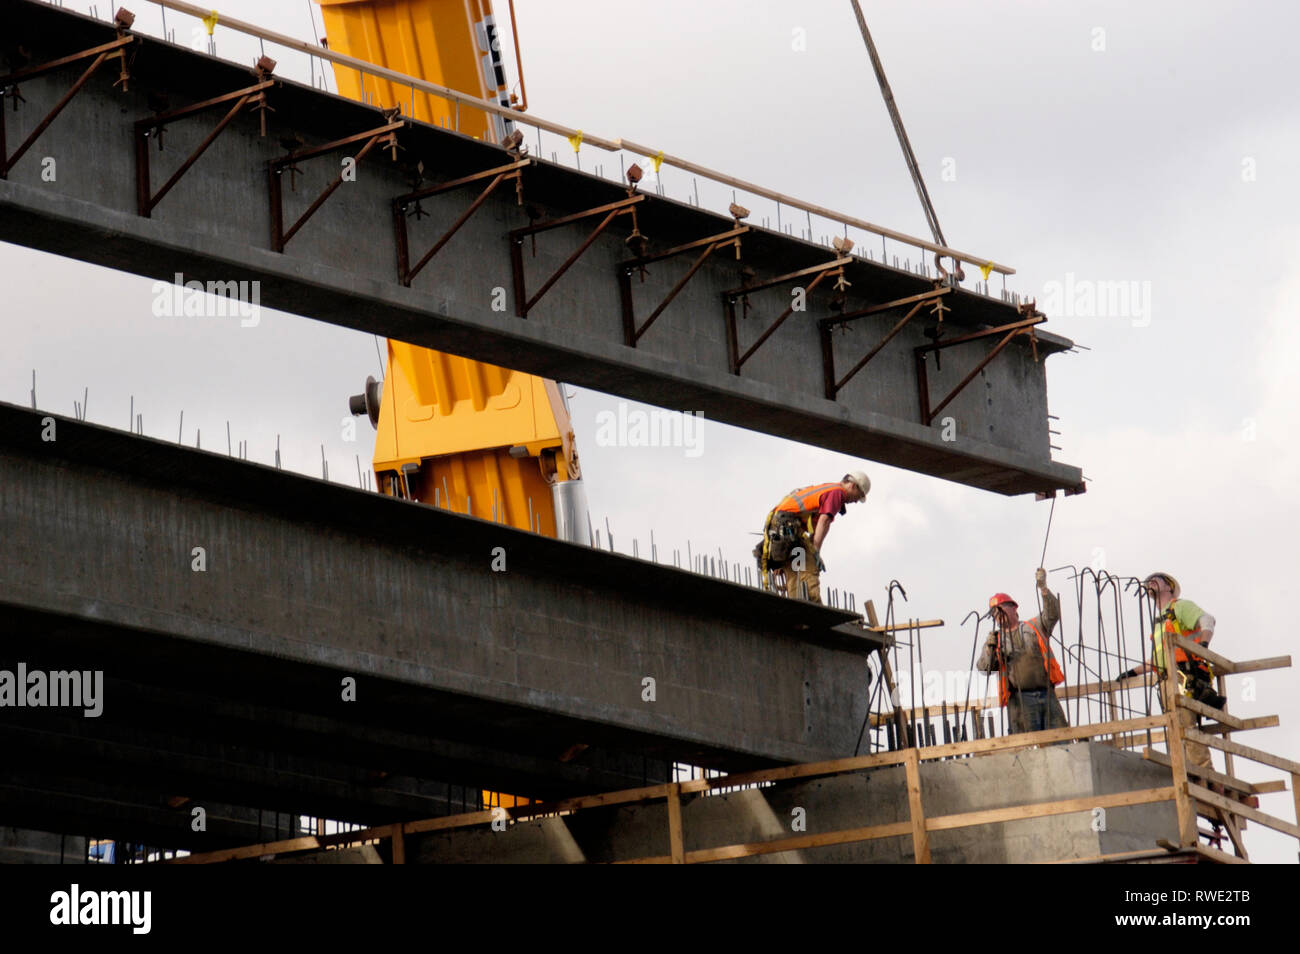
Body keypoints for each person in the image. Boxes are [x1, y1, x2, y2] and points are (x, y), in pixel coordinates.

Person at [1117, 572, 1219, 771]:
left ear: (1169, 587)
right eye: (1148, 580)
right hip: (1167, 679)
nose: (1150, 581)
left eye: (1157, 578)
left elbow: (1208, 620)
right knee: (1175, 728)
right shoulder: (1159, 622)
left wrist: (1204, 644)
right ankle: (1188, 770)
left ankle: (1205, 772)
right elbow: (1159, 659)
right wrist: (1133, 672)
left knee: (1186, 726)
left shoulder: (1180, 607)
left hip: (1184, 676)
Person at [754, 472, 870, 603]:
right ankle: (813, 608)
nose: (855, 501)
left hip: (781, 529)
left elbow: (815, 529)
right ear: (853, 486)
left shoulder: (827, 488)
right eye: (858, 496)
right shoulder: (838, 493)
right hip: (787, 528)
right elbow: (824, 521)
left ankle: (797, 606)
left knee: (797, 571)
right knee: (809, 569)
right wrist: (815, 551)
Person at [977, 568, 1068, 734]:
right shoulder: (995, 640)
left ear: (1013, 608)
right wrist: (990, 650)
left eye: (1000, 608)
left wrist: (1044, 589)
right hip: (1020, 701)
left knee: (1059, 739)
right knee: (1027, 745)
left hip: (1046, 694)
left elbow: (1052, 614)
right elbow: (984, 668)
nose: (997, 614)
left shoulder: (1034, 627)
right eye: (994, 612)